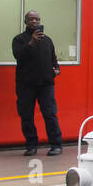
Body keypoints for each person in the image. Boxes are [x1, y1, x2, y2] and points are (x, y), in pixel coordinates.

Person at [12, 10, 63, 157]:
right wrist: (31, 43)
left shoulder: (47, 40)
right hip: (25, 84)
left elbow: (53, 58)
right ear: (25, 22)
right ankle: (31, 146)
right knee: (26, 115)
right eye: (31, 19)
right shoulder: (19, 40)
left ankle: (56, 145)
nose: (35, 22)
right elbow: (18, 56)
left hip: (46, 84)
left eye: (37, 19)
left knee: (50, 114)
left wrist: (57, 70)